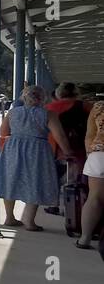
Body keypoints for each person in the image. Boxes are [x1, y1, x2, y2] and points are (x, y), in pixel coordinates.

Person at [0, 84, 72, 231]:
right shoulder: (48, 114)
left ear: (24, 97)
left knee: (11, 179)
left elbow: (3, 131)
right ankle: (29, 221)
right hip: (38, 149)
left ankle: (9, 217)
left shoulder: (13, 113)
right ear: (42, 98)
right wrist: (68, 152)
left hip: (14, 147)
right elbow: (60, 136)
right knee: (35, 181)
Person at [46, 83, 88, 215]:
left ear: (58, 94)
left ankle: (53, 205)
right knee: (73, 180)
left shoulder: (49, 108)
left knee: (54, 179)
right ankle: (70, 207)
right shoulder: (86, 106)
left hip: (51, 149)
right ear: (76, 93)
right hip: (78, 149)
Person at [78, 101, 104, 254]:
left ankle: (85, 238)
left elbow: (89, 135)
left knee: (95, 198)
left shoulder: (99, 107)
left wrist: (90, 154)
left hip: (100, 154)